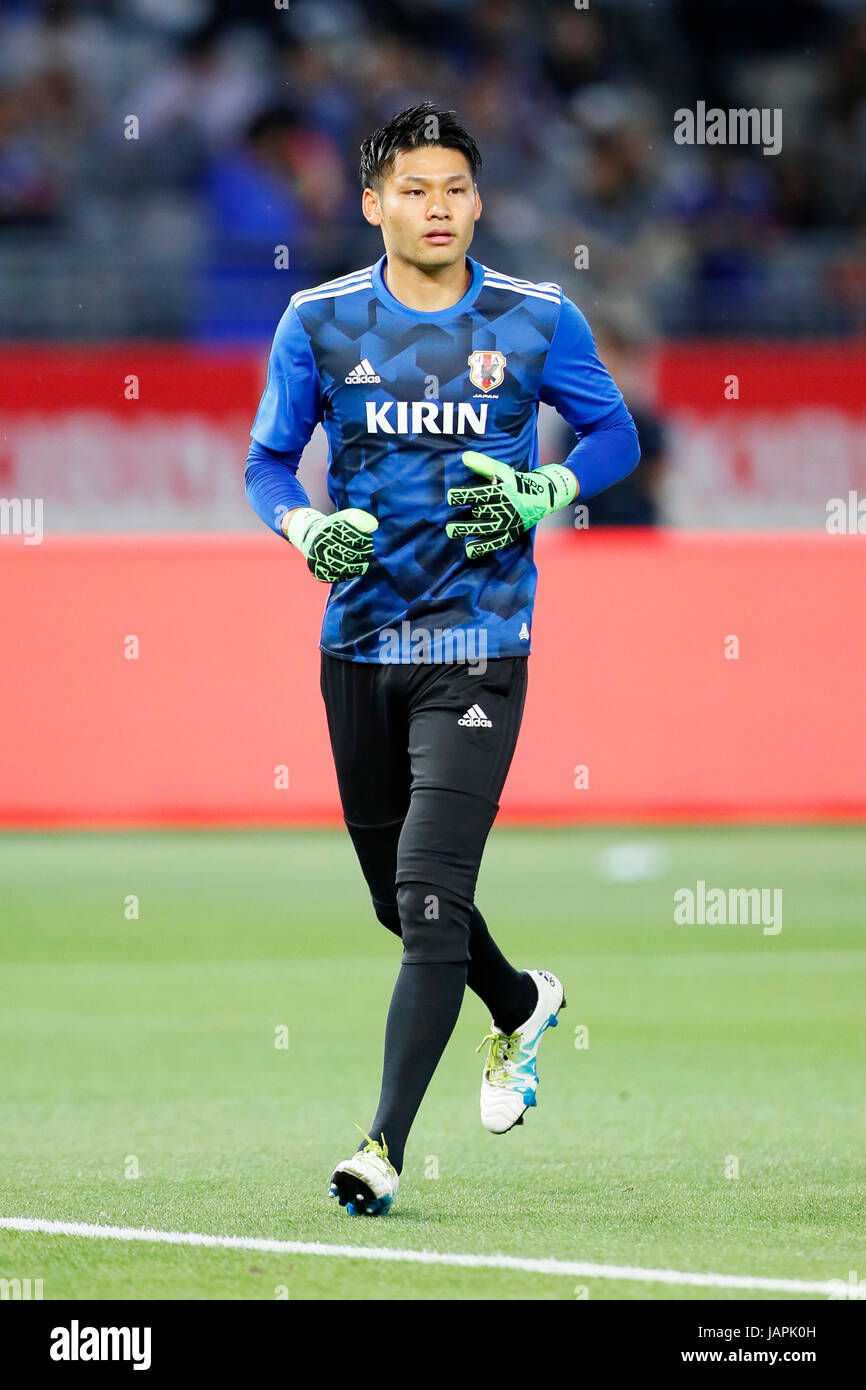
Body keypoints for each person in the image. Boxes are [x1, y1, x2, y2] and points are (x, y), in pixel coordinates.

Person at [245, 102, 640, 1216]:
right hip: (358, 642)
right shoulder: (317, 322)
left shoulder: (534, 318)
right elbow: (269, 462)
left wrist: (542, 489)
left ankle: (378, 1146)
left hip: (478, 645)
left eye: (454, 189)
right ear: (372, 203)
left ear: (479, 201)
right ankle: (516, 1002)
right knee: (396, 900)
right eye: (413, 189)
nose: (437, 208)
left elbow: (613, 435)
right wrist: (302, 529)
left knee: (427, 894)